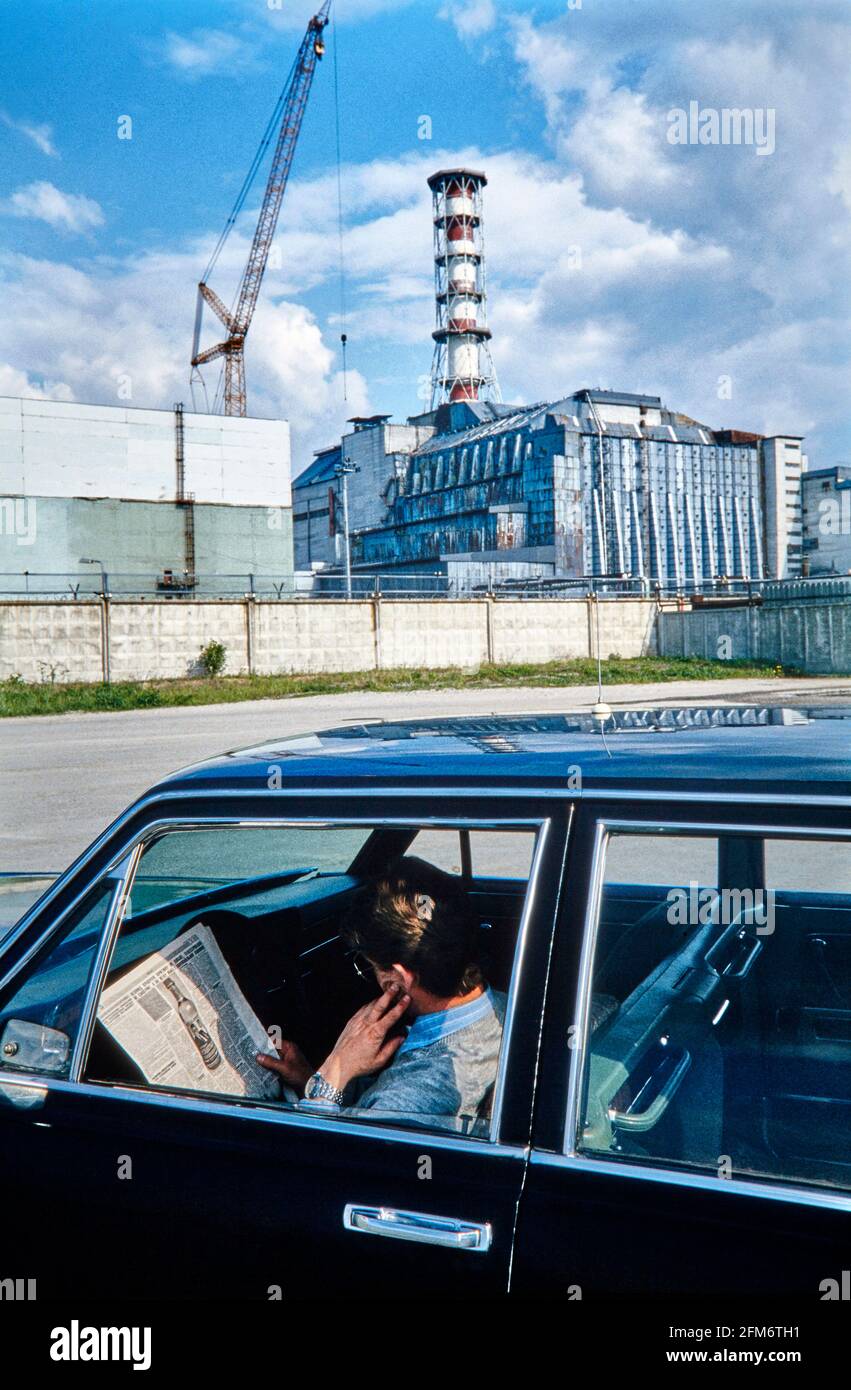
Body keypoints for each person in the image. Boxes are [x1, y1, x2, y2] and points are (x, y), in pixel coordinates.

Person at [257, 856, 506, 1130]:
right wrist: (309, 1080)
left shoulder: (413, 1097)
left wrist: (334, 1072)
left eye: (369, 966)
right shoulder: (504, 1008)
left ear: (397, 978)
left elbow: (314, 1163)